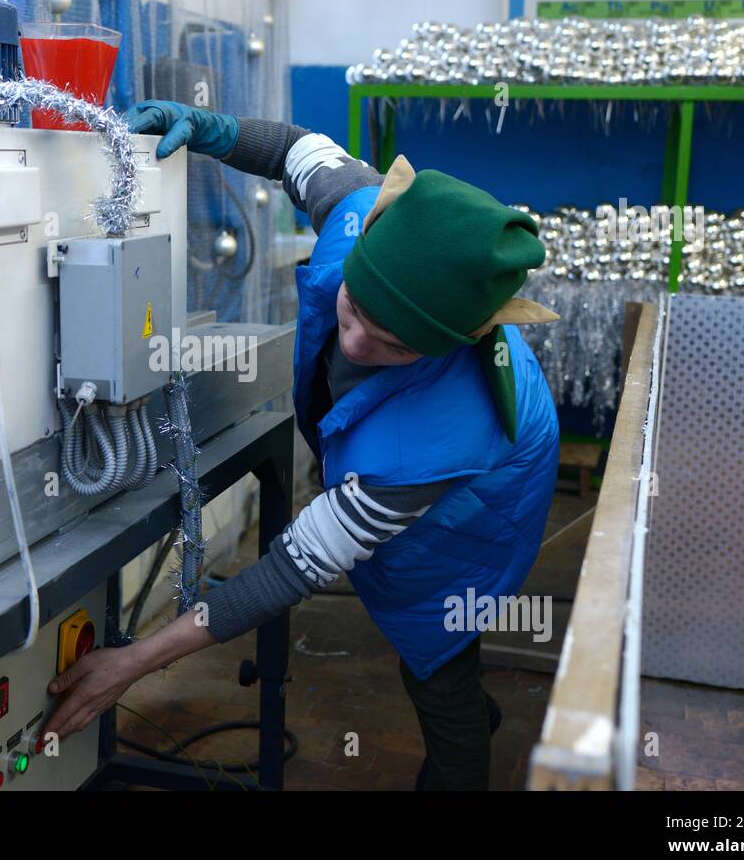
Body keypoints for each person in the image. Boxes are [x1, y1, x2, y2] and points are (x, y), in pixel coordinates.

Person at [40, 102, 561, 790]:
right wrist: (213, 129)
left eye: (391, 345)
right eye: (354, 308)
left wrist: (132, 664)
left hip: (484, 508)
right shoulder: (365, 212)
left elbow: (293, 567)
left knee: (437, 654)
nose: (356, 343)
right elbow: (295, 148)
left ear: (448, 344)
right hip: (420, 440)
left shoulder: (436, 441)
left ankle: (461, 752)